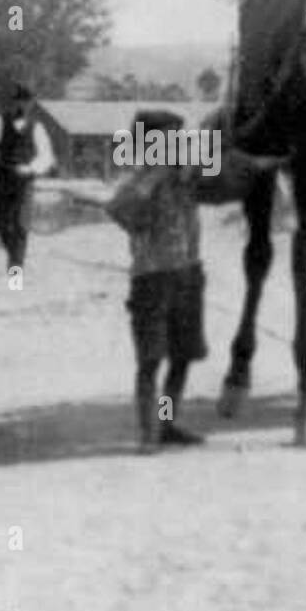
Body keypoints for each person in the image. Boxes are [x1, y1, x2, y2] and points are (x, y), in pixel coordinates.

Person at [104, 110, 208, 453]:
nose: (178, 144)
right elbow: (117, 208)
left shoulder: (188, 174)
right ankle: (149, 432)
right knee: (150, 360)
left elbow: (225, 171)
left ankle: (165, 424)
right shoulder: (138, 180)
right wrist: (156, 174)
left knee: (181, 356)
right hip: (151, 280)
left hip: (187, 274)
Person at [0, 83, 55, 271]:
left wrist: (30, 168)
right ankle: (15, 257)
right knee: (2, 225)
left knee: (20, 226)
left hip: (24, 183)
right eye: (18, 102)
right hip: (3, 179)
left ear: (31, 104)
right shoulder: (0, 122)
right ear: (13, 103)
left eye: (26, 102)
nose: (21, 106)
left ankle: (15, 271)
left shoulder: (37, 127)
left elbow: (46, 155)